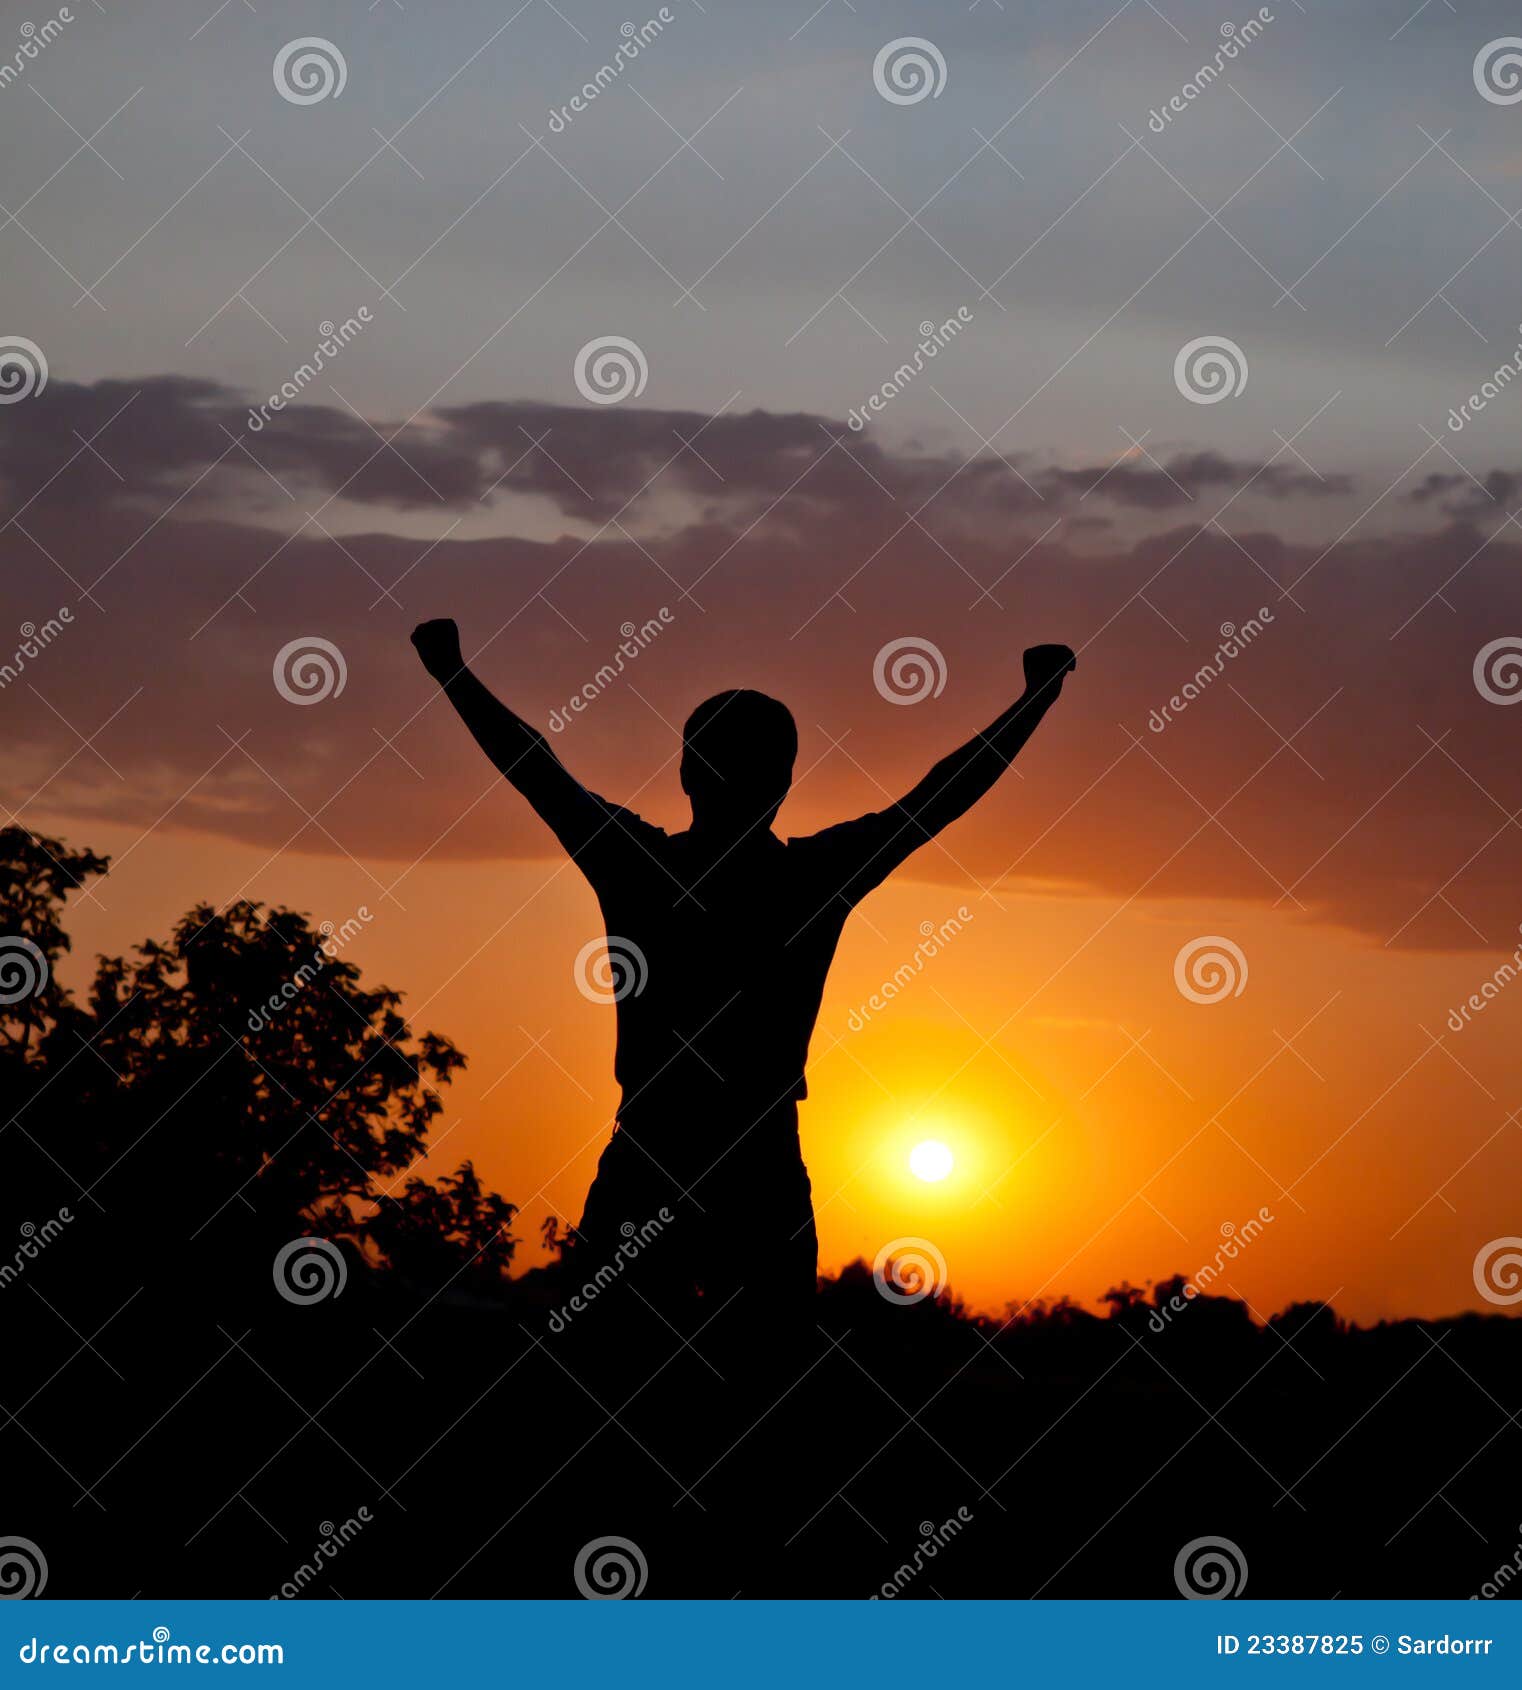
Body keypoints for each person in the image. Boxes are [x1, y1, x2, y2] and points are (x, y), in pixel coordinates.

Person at [411, 618, 1076, 1378]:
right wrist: (1038, 698)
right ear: (785, 781)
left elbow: (537, 770)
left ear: (686, 773)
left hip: (659, 1153)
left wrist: (452, 674)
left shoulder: (641, 865)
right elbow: (937, 799)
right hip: (750, 1166)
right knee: (755, 1391)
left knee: (606, 1385)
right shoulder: (807, 879)